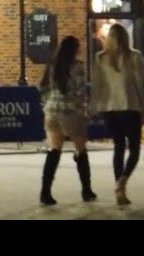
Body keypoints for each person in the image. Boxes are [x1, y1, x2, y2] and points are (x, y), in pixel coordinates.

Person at [91, 22, 144, 206]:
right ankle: (122, 182)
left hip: (109, 108)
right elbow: (141, 84)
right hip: (130, 107)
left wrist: (94, 106)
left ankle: (119, 188)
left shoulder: (100, 58)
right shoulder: (135, 57)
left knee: (118, 146)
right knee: (134, 149)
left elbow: (97, 85)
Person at [38, 35, 97, 206]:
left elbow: (43, 87)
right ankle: (87, 190)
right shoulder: (77, 66)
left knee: (54, 149)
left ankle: (45, 192)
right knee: (80, 149)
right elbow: (79, 91)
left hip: (52, 110)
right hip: (71, 111)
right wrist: (84, 109)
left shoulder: (52, 64)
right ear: (75, 49)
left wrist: (49, 101)